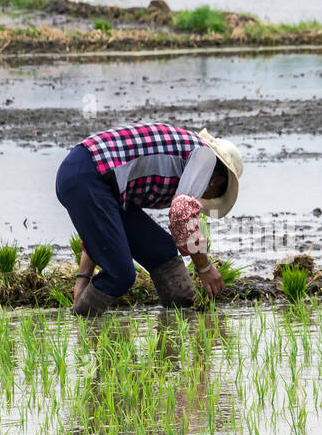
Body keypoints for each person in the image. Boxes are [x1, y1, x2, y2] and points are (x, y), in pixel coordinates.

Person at [55, 121, 243, 317]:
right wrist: (205, 267)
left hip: (88, 177)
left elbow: (102, 229)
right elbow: (181, 213)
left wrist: (83, 280)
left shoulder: (185, 154)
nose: (205, 196)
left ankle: (183, 316)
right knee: (120, 275)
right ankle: (81, 323)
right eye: (213, 194)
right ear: (217, 181)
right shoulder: (205, 157)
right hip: (88, 174)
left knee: (162, 251)